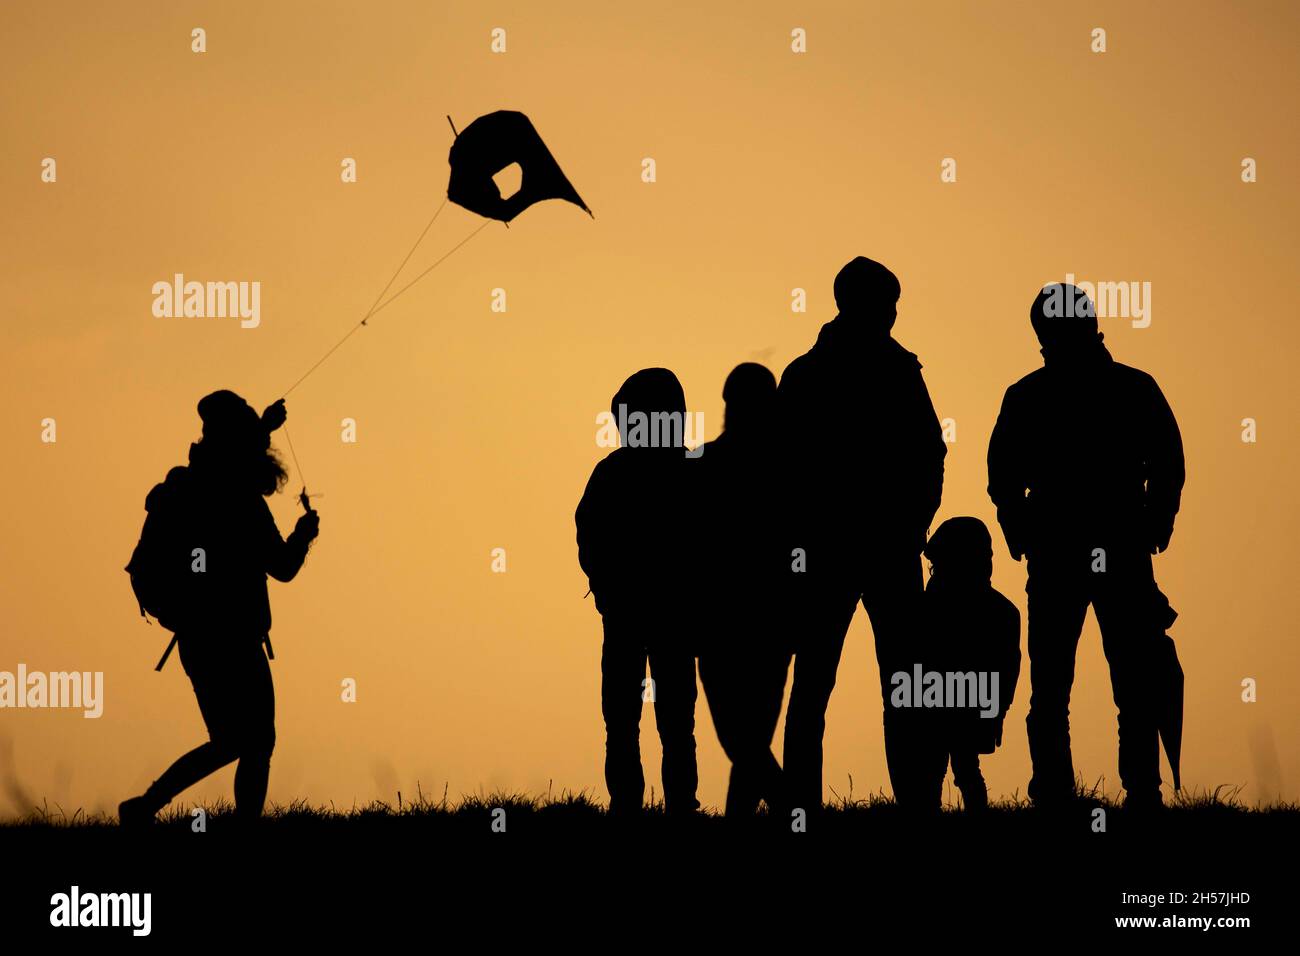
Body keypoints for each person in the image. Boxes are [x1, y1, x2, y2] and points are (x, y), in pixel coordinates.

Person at [987, 284, 1184, 811]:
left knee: (1064, 687)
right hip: (1102, 548)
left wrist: (1020, 529)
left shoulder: (1030, 394)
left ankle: (1066, 794)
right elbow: (1167, 464)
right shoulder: (1132, 388)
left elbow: (1003, 478)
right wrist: (1154, 524)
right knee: (1112, 682)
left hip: (1071, 549)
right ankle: (1134, 794)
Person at [778, 257, 946, 814]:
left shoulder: (810, 373)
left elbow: (929, 454)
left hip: (860, 549)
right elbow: (930, 452)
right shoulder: (888, 372)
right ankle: (912, 807)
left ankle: (899, 805)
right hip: (859, 550)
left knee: (834, 685)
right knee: (853, 684)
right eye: (887, 304)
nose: (893, 315)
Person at [119, 391, 320, 826]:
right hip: (236, 640)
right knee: (254, 742)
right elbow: (283, 568)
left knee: (232, 741)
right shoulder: (242, 503)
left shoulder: (197, 488)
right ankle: (179, 813)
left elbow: (226, 461)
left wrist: (262, 426)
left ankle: (144, 808)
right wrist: (304, 535)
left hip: (198, 639)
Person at [576, 369, 699, 818]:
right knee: (664, 722)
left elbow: (588, 537)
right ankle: (667, 807)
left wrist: (608, 589)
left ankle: (639, 808)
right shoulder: (691, 473)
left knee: (637, 721)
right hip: (662, 617)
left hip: (642, 617)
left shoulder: (614, 474)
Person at [694, 363, 790, 821]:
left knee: (745, 741)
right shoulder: (789, 468)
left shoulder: (789, 468)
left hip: (754, 621)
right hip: (735, 622)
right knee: (747, 740)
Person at [917, 517, 1020, 812]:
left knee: (946, 770)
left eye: (938, 567)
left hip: (946, 705)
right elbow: (1008, 671)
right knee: (962, 769)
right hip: (959, 705)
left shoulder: (929, 611)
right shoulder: (1003, 612)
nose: (932, 576)